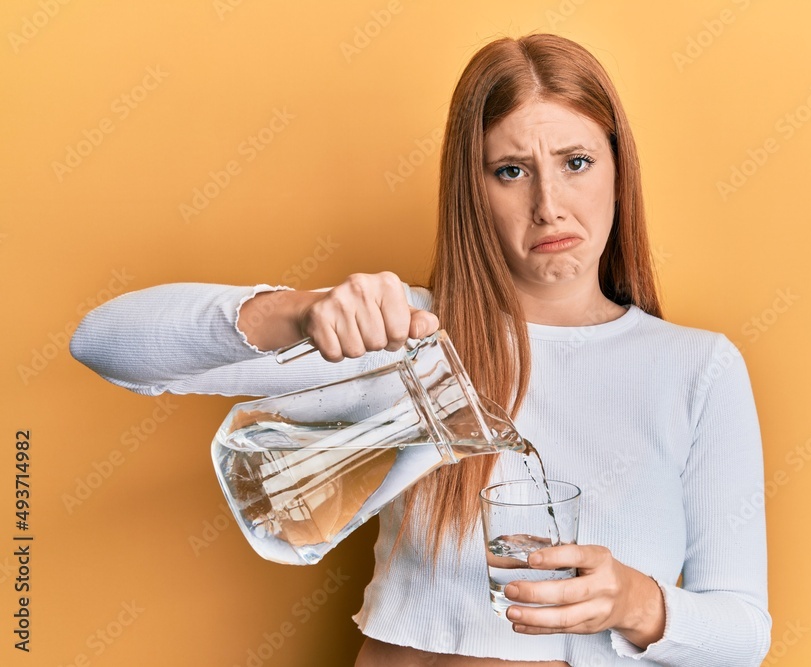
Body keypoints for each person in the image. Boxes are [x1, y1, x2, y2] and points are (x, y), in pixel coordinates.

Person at [71, 33, 771, 666]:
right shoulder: (408, 335)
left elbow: (744, 630)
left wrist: (635, 602)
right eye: (510, 171)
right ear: (471, 190)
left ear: (619, 168)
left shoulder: (696, 368)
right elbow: (103, 341)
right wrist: (300, 314)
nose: (550, 204)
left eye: (576, 161)